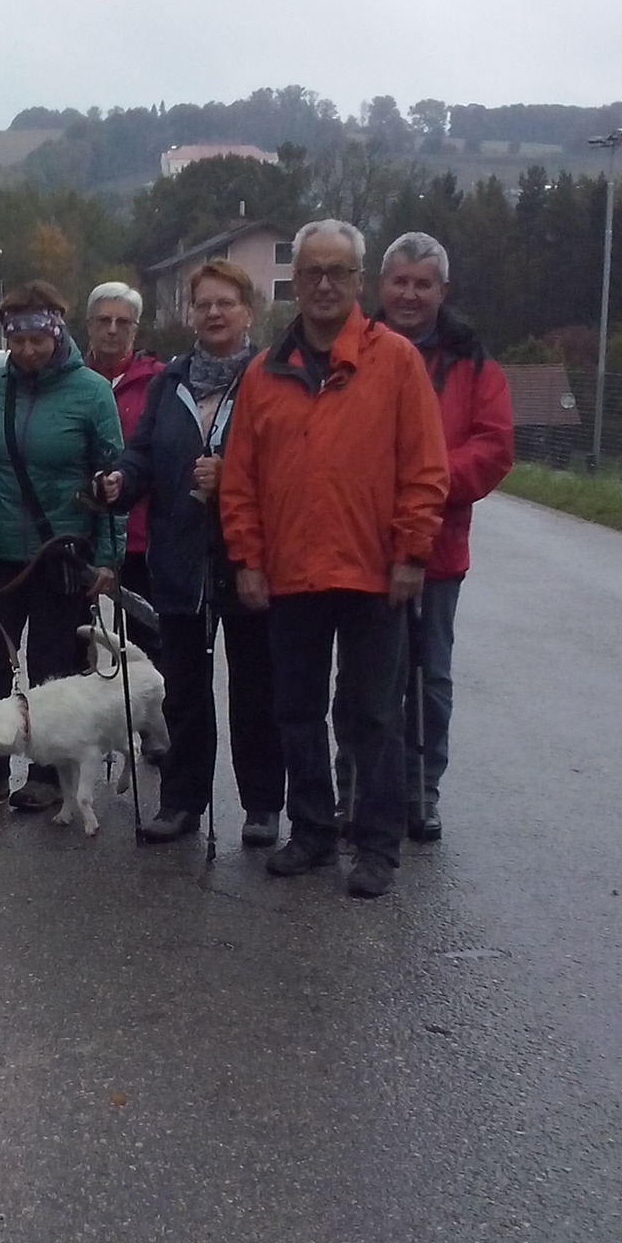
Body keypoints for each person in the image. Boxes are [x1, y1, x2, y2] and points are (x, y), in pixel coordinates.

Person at [220, 218, 448, 899]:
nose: (322, 284)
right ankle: (314, 831)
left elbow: (425, 468)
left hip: (375, 572)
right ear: (297, 283)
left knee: (373, 714)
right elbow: (240, 482)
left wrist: (411, 553)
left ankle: (376, 845)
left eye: (336, 272)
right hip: (290, 576)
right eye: (311, 272)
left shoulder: (397, 361)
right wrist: (248, 560)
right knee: (296, 709)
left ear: (356, 281)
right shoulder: (264, 374)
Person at [100, 259, 284, 846]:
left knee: (255, 690)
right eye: (202, 304)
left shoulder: (273, 378)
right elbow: (144, 456)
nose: (212, 313)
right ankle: (182, 804)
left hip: (250, 562)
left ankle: (261, 807)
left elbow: (292, 469)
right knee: (184, 692)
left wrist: (232, 476)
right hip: (178, 562)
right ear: (188, 313)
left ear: (247, 312)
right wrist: (120, 483)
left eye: (225, 303)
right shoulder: (168, 383)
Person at [0, 280, 124, 811]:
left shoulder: (92, 393)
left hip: (63, 558)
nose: (26, 350)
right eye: (16, 340)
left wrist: (108, 558)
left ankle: (49, 773)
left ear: (56, 333)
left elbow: (115, 481)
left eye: (36, 340)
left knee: (54, 669)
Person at [376, 231, 514, 840]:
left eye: (422, 284)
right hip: (361, 544)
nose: (409, 294)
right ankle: (354, 785)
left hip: (437, 549)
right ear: (383, 287)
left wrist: (425, 481)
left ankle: (421, 790)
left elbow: (493, 447)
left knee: (429, 675)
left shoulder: (473, 364)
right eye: (400, 282)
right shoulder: (353, 351)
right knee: (364, 677)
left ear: (442, 291)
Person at [82, 281, 165, 655]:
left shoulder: (160, 382)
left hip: (141, 538)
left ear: (135, 328)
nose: (112, 329)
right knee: (77, 640)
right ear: (89, 326)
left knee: (146, 648)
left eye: (122, 322)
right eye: (104, 320)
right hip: (78, 535)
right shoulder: (69, 382)